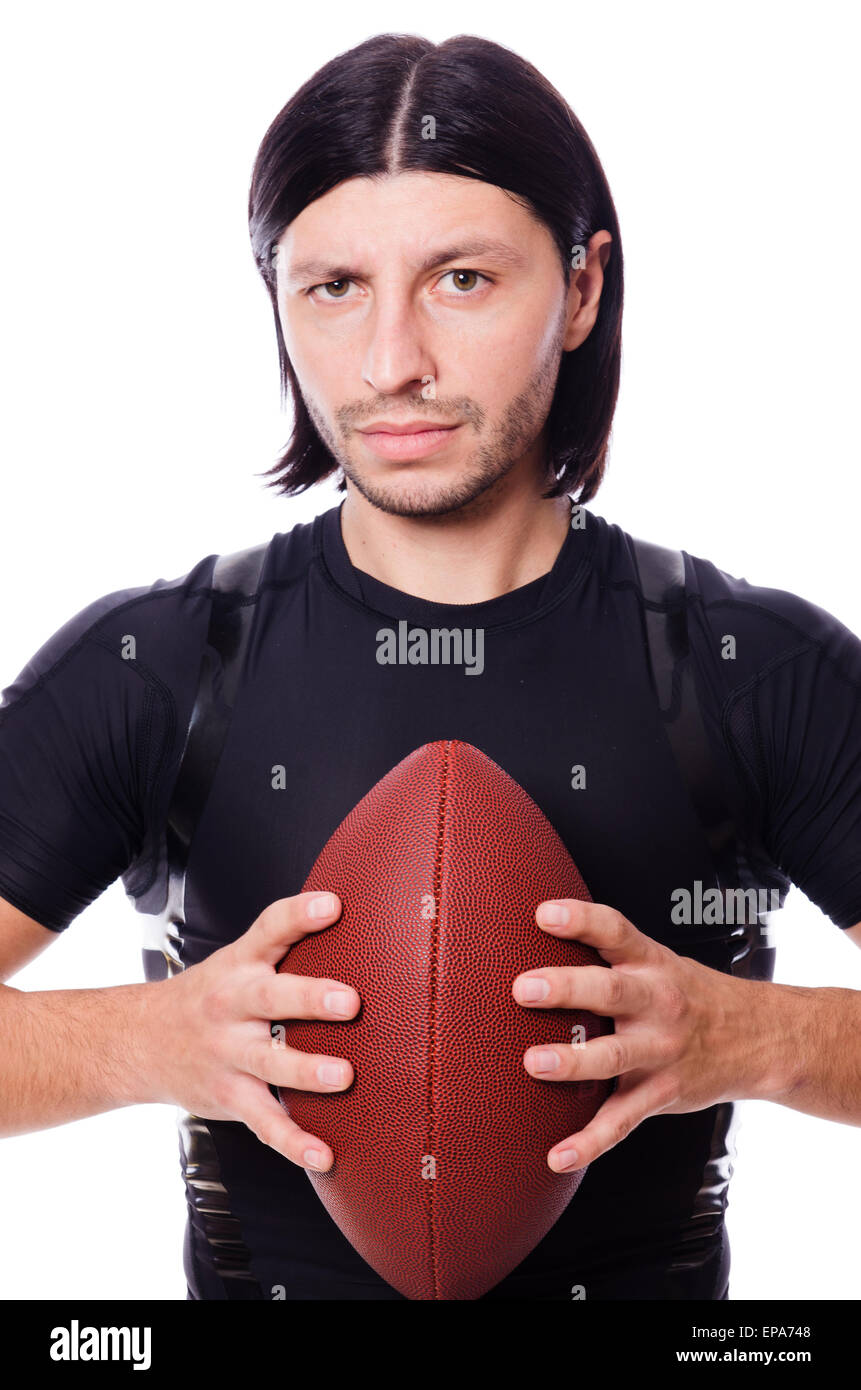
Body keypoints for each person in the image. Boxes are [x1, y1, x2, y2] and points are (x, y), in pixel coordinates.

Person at [1, 32, 860, 1302]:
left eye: (461, 278)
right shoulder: (161, 667)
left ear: (580, 291)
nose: (390, 360)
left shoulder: (745, 667)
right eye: (334, 287)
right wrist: (146, 1040)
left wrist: (756, 1036)